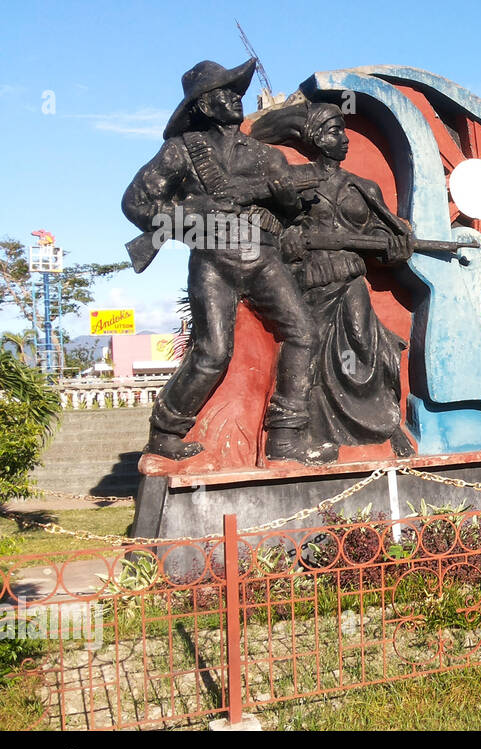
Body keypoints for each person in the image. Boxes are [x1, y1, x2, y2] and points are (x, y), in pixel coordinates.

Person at [122, 59, 315, 462]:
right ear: (205, 107)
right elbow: (136, 202)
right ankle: (165, 431)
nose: (236, 99)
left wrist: (283, 196)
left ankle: (284, 436)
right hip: (213, 257)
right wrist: (193, 214)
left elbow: (292, 212)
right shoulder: (182, 151)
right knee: (212, 353)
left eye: (237, 92)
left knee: (302, 334)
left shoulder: (265, 157)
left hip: (262, 255)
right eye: (225, 93)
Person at [251, 100, 415, 462]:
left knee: (365, 342)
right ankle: (306, 433)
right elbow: (267, 227)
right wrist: (289, 241)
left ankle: (386, 424)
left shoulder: (363, 188)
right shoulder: (295, 183)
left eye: (343, 129)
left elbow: (393, 240)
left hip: (349, 277)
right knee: (313, 355)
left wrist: (399, 247)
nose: (344, 138)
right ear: (315, 139)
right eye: (333, 131)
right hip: (311, 282)